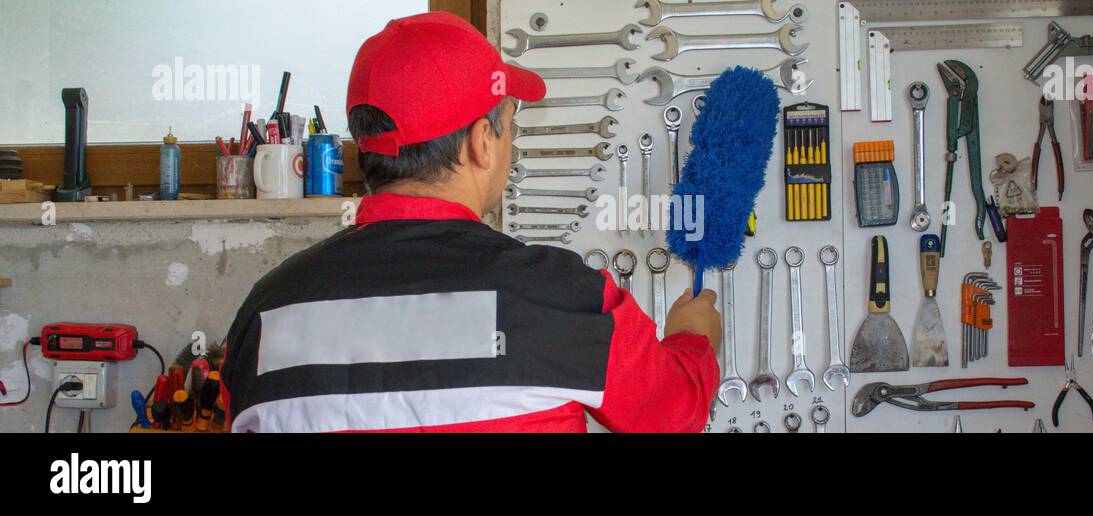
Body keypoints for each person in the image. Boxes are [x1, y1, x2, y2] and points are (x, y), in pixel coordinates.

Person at [219, 12, 722, 433]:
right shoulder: (562, 298)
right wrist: (693, 338)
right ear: (482, 141)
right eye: (509, 128)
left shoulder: (264, 312)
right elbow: (672, 413)